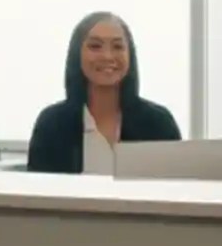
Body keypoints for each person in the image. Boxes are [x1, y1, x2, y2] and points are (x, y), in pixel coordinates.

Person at [27, 12, 181, 174]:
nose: (107, 56)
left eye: (117, 47)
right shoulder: (51, 124)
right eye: (95, 46)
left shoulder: (159, 123)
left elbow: (176, 190)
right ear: (76, 54)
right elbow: (39, 194)